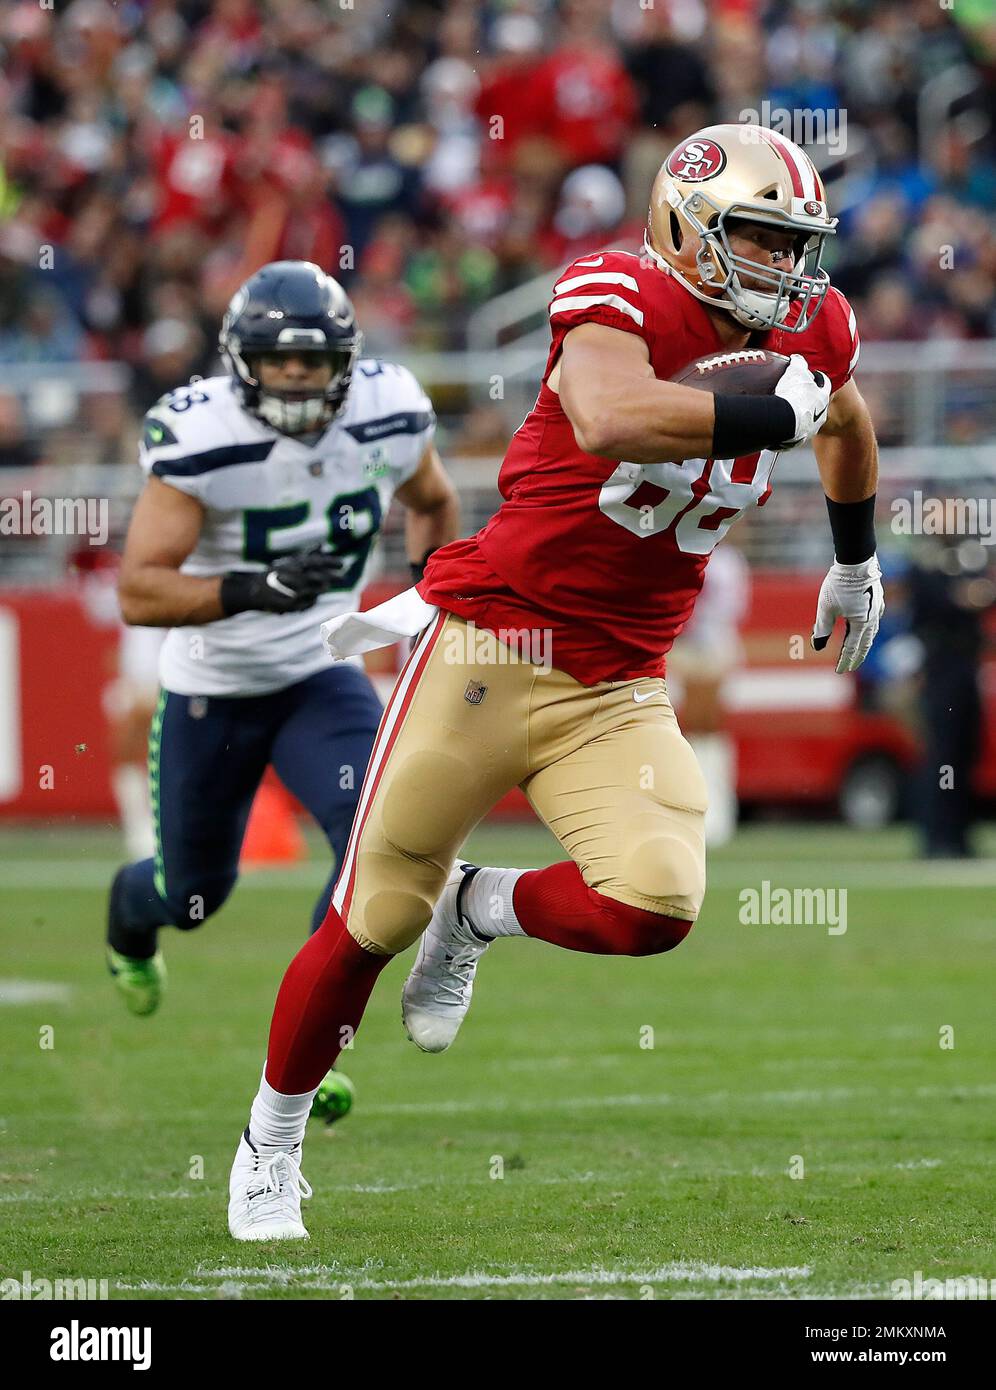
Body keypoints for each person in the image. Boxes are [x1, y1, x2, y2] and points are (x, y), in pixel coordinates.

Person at [225, 127, 885, 1241]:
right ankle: (269, 1146)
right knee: (372, 916)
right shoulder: (616, 288)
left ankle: (482, 906)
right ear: (688, 226)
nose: (786, 266)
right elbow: (609, 415)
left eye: (797, 242)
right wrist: (774, 411)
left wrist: (856, 558)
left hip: (620, 679)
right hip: (491, 647)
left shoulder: (810, 322)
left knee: (655, 905)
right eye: (763, 237)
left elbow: (849, 420)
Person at [105, 260, 458, 1017]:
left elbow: (433, 499)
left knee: (376, 840)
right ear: (243, 365)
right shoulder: (200, 431)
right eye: (277, 361)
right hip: (214, 685)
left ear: (347, 363)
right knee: (193, 892)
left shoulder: (388, 408)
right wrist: (249, 589)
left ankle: (312, 1037)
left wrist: (432, 594)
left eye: (314, 361)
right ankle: (129, 919)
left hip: (318, 669)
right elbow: (139, 589)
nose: (296, 377)